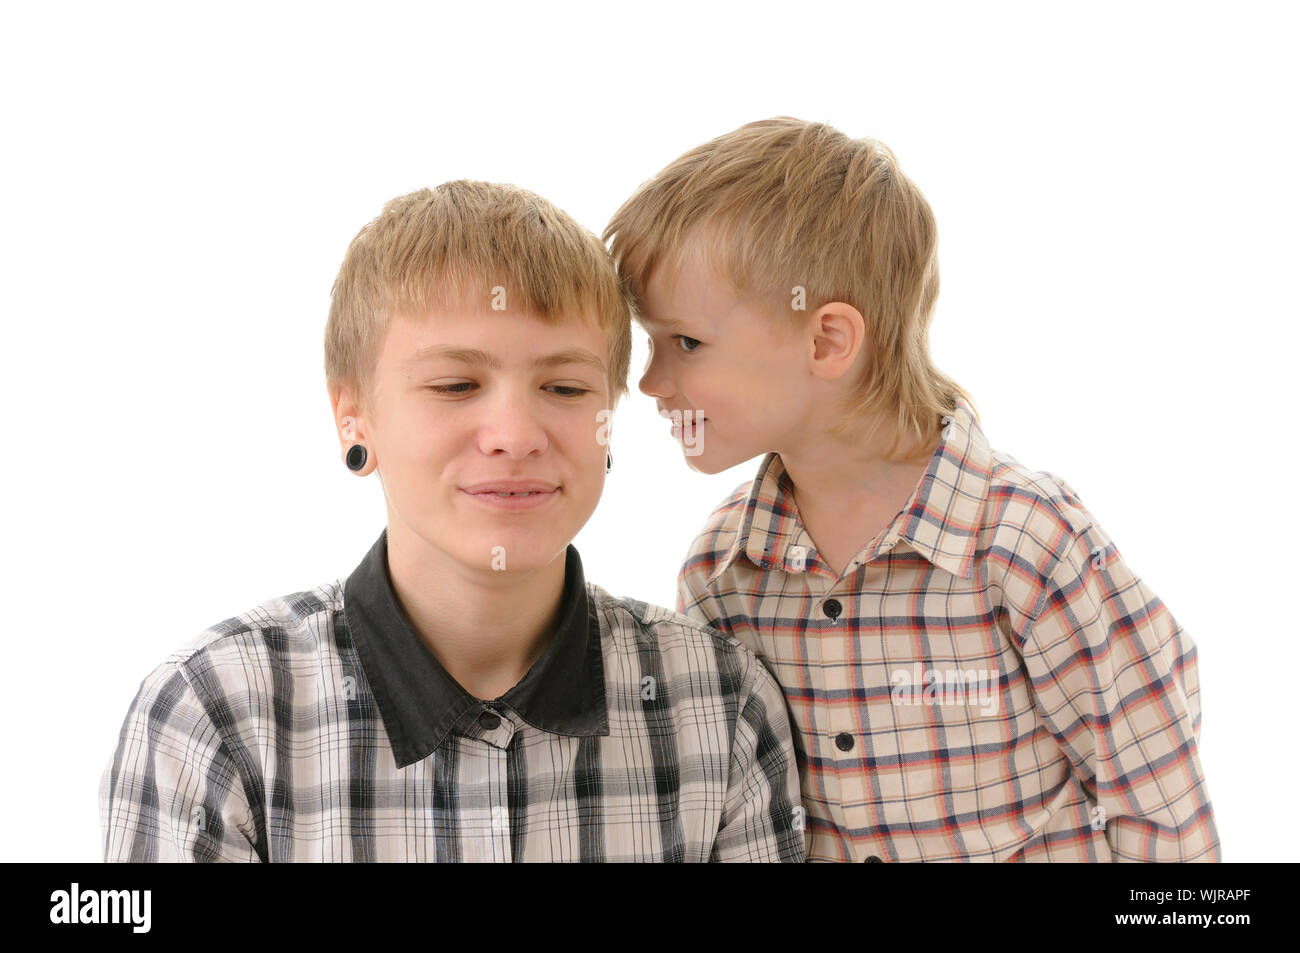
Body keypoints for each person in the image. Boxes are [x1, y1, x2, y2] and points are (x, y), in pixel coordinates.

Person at [99, 181, 806, 863]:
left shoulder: (722, 705)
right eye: (456, 385)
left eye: (564, 387)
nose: (515, 433)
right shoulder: (212, 718)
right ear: (354, 415)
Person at [603, 117, 1221, 862]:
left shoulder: (1025, 541)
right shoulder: (722, 571)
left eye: (686, 342)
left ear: (827, 340)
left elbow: (1158, 799)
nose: (649, 381)